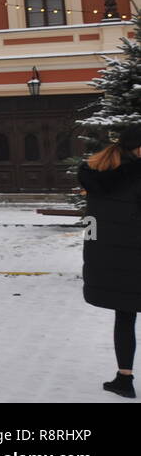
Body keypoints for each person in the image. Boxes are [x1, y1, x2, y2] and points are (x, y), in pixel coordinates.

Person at [78, 124, 141, 399]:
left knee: (125, 318)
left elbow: (92, 223)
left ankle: (124, 378)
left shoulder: (97, 173)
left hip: (112, 261)